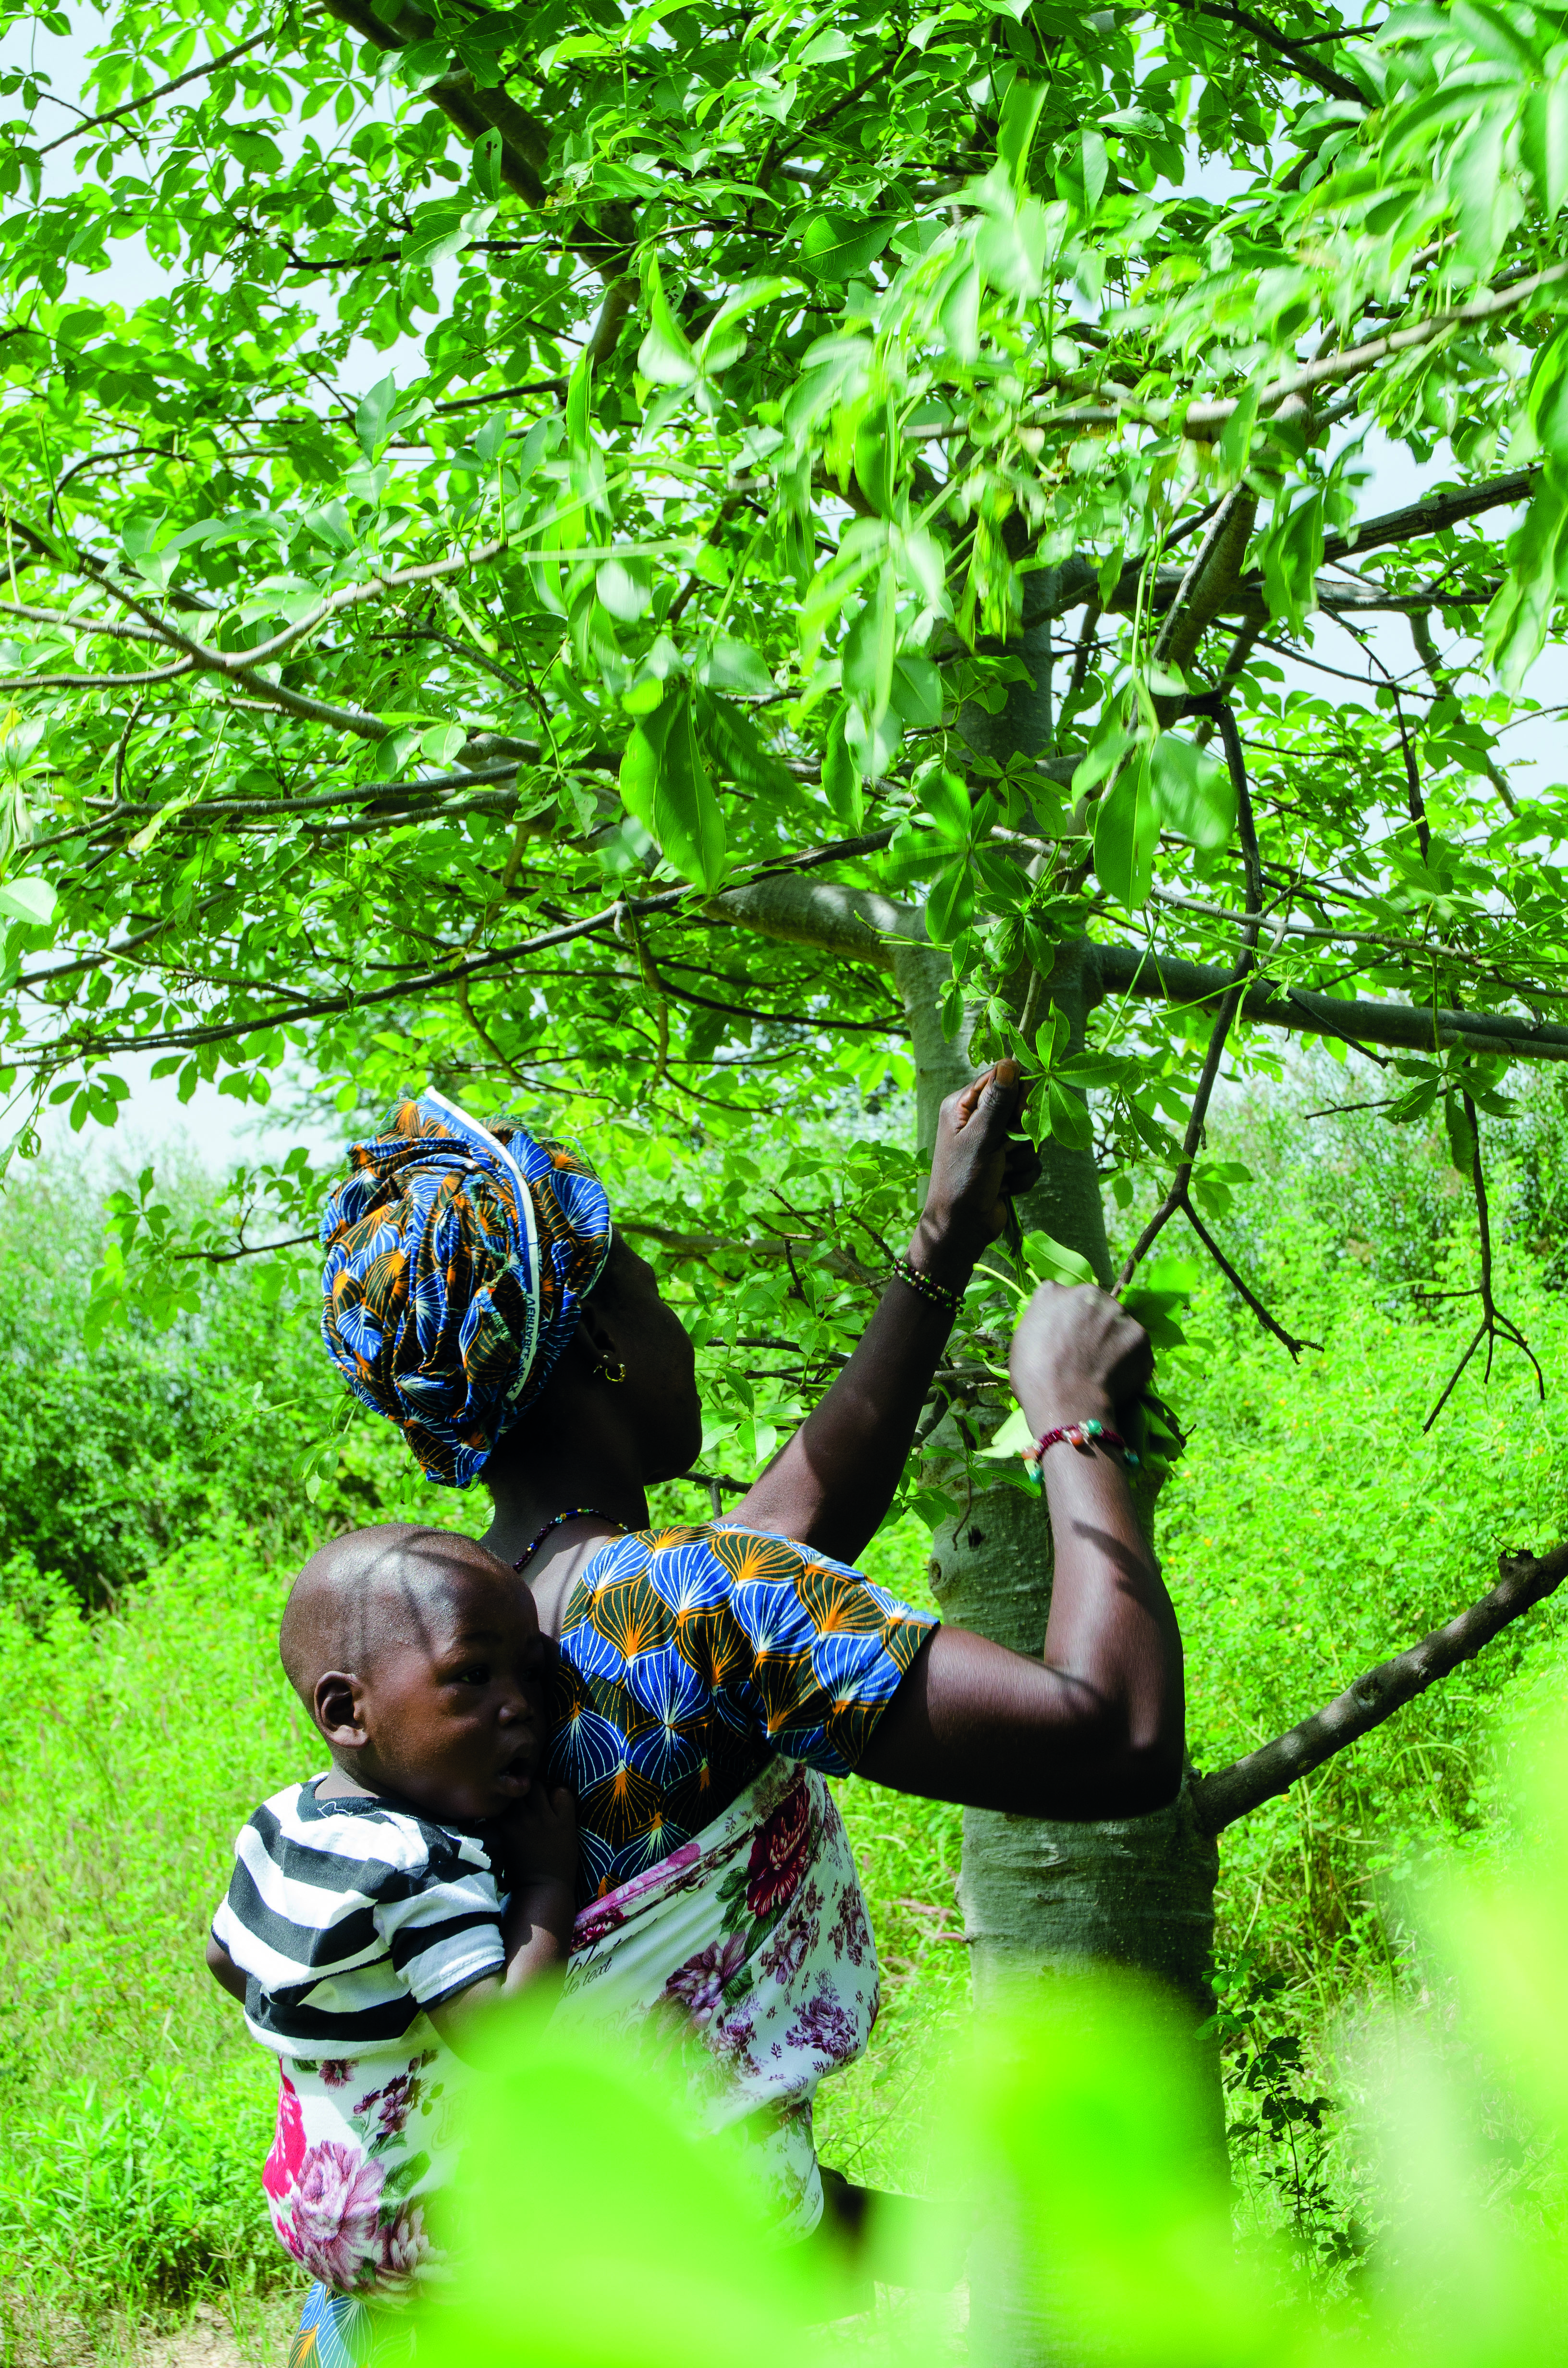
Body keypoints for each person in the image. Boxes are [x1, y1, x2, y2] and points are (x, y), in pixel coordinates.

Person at [308, 1070, 1184, 2334]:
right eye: (653, 1295)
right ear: (600, 1341)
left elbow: (776, 1546)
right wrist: (1075, 1427)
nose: (680, 1331)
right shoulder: (700, 1604)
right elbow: (1119, 1739)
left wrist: (942, 1241)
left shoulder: (451, 1643)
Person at [205, 1527, 577, 2317]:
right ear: (346, 1711)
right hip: (423, 2229)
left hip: (306, 2197)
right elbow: (501, 2040)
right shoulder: (418, 1867)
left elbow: (224, 1958)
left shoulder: (285, 1820)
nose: (518, 1706)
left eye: (531, 1678)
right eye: (472, 1676)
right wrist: (548, 1881)